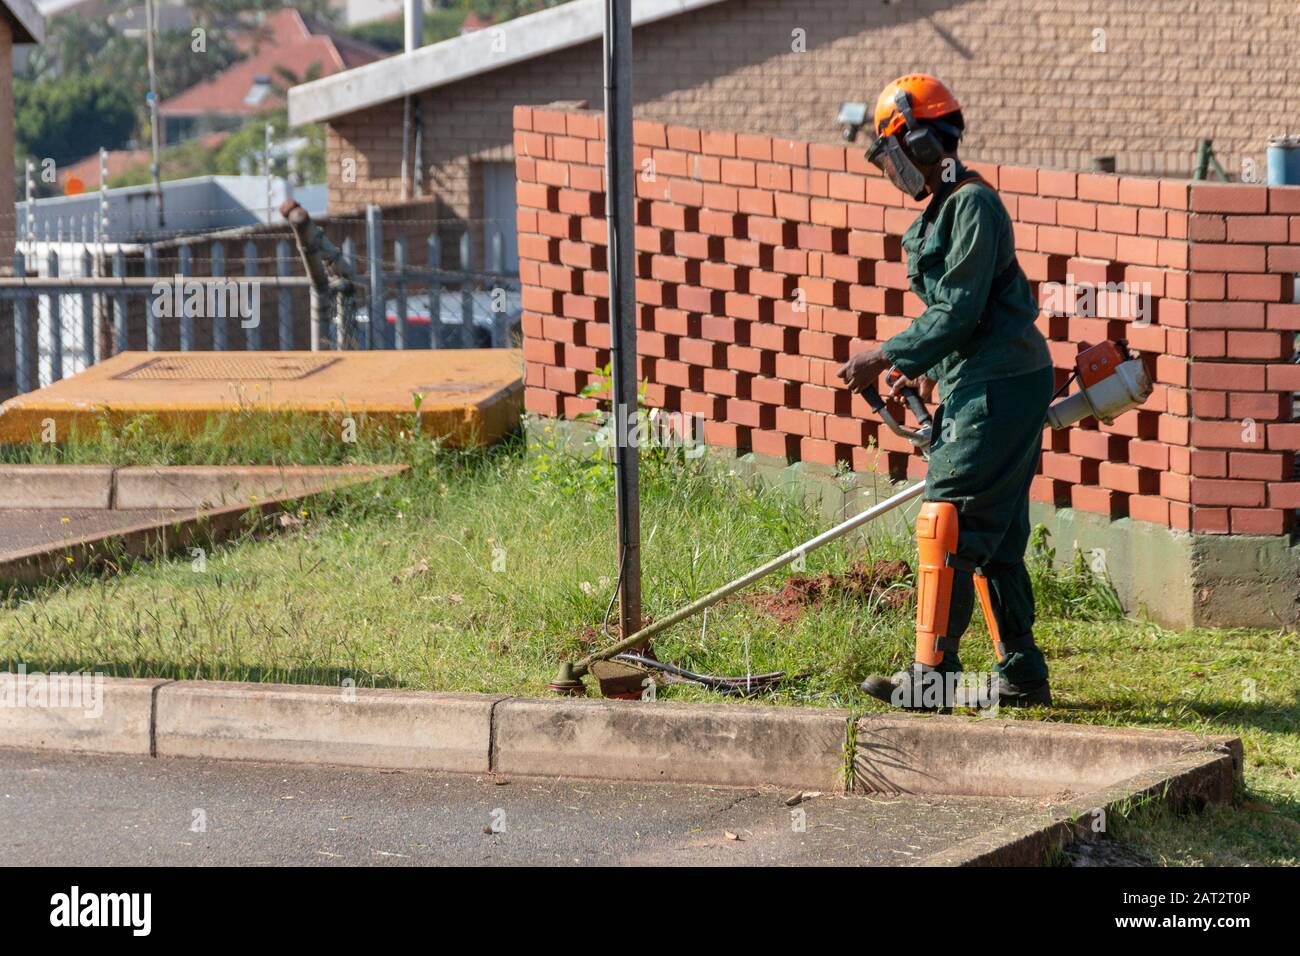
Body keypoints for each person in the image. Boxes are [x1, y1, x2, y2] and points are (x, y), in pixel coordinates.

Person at [836, 74, 1055, 709]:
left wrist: (884, 356)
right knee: (997, 533)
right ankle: (1020, 674)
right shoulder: (945, 208)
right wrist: (922, 367)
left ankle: (932, 679)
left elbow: (958, 309)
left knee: (949, 518)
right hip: (988, 378)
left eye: (893, 150)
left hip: (1001, 382)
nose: (891, 167)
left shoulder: (971, 205)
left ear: (924, 142)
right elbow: (961, 318)